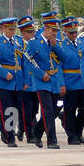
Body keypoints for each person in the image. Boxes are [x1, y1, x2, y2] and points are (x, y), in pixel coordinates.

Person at [25, 16, 63, 149]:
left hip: (54, 81)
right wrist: (41, 74)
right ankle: (52, 140)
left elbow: (64, 58)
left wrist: (55, 46)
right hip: (41, 82)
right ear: (46, 29)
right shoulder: (34, 42)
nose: (55, 33)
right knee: (47, 110)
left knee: (57, 108)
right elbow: (28, 62)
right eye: (53, 30)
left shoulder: (55, 42)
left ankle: (37, 130)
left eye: (56, 31)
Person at [53, 17, 84, 146]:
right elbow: (58, 66)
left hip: (82, 81)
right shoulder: (61, 45)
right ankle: (72, 135)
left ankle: (78, 130)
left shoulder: (81, 42)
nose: (74, 35)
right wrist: (61, 84)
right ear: (65, 31)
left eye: (75, 32)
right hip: (69, 82)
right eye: (71, 33)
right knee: (70, 110)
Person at [0, 17, 23, 147]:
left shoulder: (18, 42)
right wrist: (3, 73)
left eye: (14, 29)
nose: (12, 31)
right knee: (8, 109)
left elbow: (23, 60)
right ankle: (10, 137)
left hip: (17, 80)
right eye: (10, 29)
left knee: (16, 109)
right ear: (3, 29)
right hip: (4, 81)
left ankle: (4, 126)